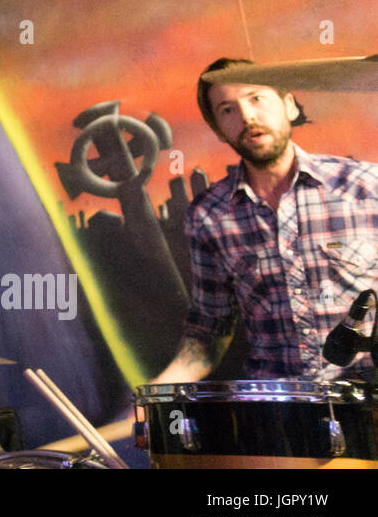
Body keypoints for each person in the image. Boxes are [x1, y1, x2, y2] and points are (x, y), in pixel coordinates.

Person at [153, 57, 378, 383]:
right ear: (218, 130)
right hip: (276, 414)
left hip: (366, 405)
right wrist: (152, 396)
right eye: (227, 110)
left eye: (256, 98)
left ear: (289, 106)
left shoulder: (367, 187)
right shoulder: (209, 216)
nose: (247, 116)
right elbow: (208, 334)